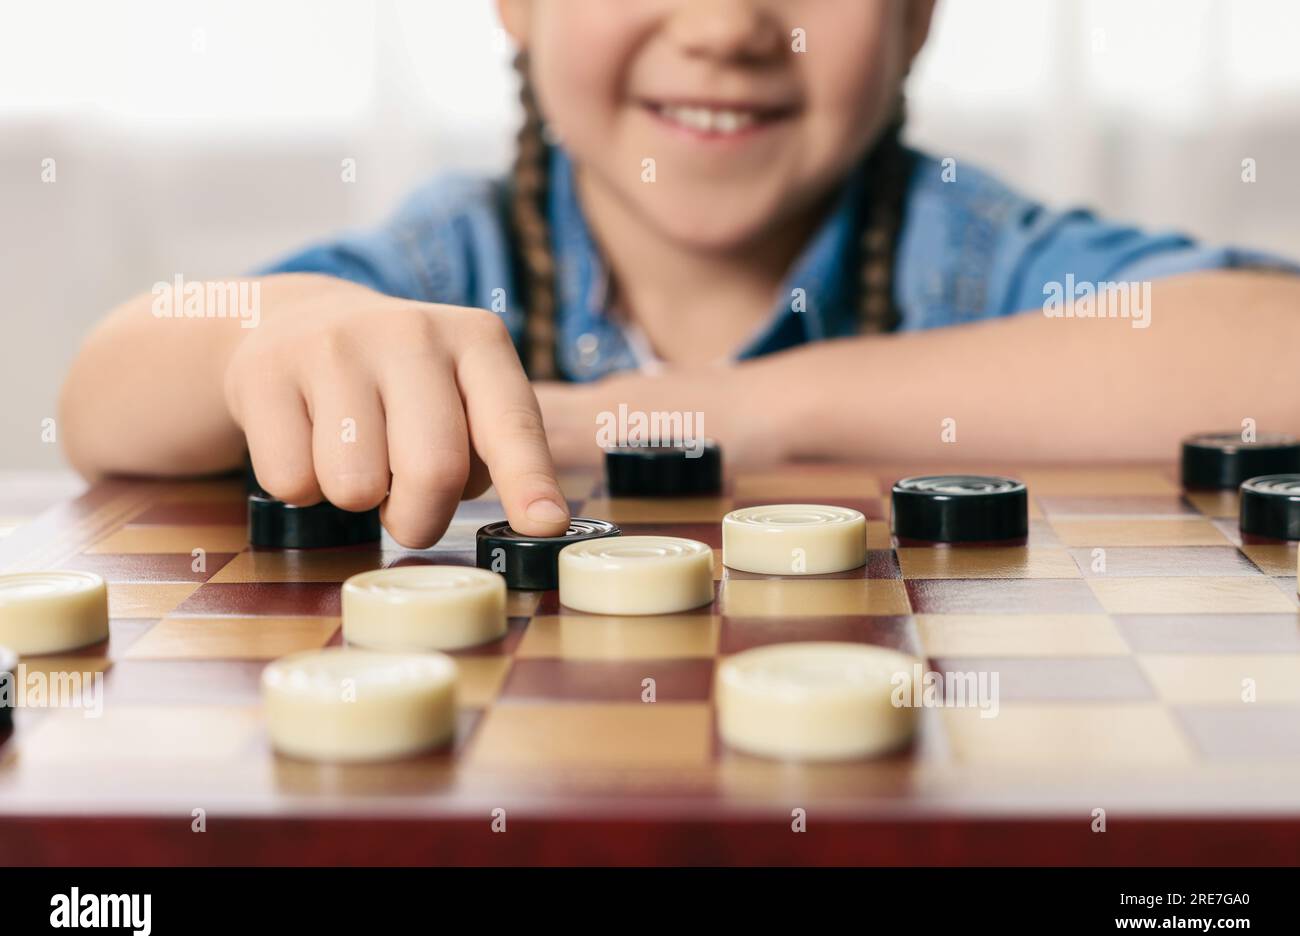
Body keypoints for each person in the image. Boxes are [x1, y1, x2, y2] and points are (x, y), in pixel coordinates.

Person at [60, 0, 1300, 548]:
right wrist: (273, 331)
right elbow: (104, 400)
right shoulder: (451, 257)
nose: (726, 25)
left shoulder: (963, 245)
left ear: (918, 13)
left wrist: (686, 416)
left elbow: (1274, 345)